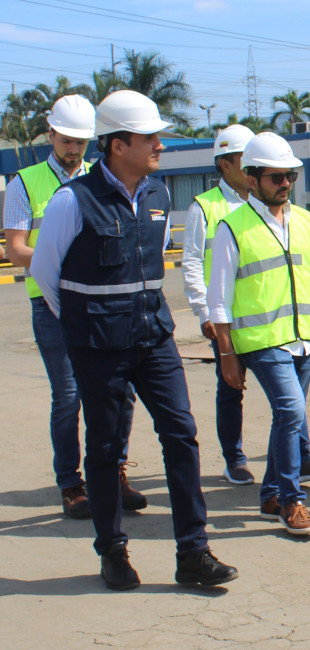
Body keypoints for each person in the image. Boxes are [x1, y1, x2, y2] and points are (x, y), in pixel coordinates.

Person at [30, 90, 237, 590]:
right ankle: (113, 552)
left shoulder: (159, 195)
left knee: (181, 435)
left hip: (154, 338)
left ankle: (193, 551)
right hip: (99, 346)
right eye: (151, 138)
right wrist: (86, 325)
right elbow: (44, 273)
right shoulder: (71, 201)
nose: (160, 146)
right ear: (118, 145)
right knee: (104, 449)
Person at [208, 132, 310, 536]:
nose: (285, 184)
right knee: (292, 412)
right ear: (254, 177)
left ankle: (270, 495)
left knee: (288, 420)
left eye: (290, 176)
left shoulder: (304, 222)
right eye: (277, 176)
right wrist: (226, 355)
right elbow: (219, 299)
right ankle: (293, 501)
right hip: (261, 343)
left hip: (304, 339)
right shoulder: (232, 228)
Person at [4, 94, 146, 519]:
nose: (74, 149)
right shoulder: (24, 183)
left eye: (81, 142)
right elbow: (15, 249)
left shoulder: (104, 178)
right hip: (51, 304)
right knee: (68, 396)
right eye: (66, 140)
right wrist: (64, 255)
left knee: (118, 393)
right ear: (50, 134)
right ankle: (71, 484)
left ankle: (113, 473)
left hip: (102, 302)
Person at [182, 124, 256, 485]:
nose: (254, 167)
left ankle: (296, 456)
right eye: (246, 160)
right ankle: (235, 458)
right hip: (225, 315)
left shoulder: (265, 199)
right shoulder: (205, 207)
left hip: (262, 312)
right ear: (225, 165)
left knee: (286, 389)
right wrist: (204, 310)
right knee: (231, 387)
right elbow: (193, 261)